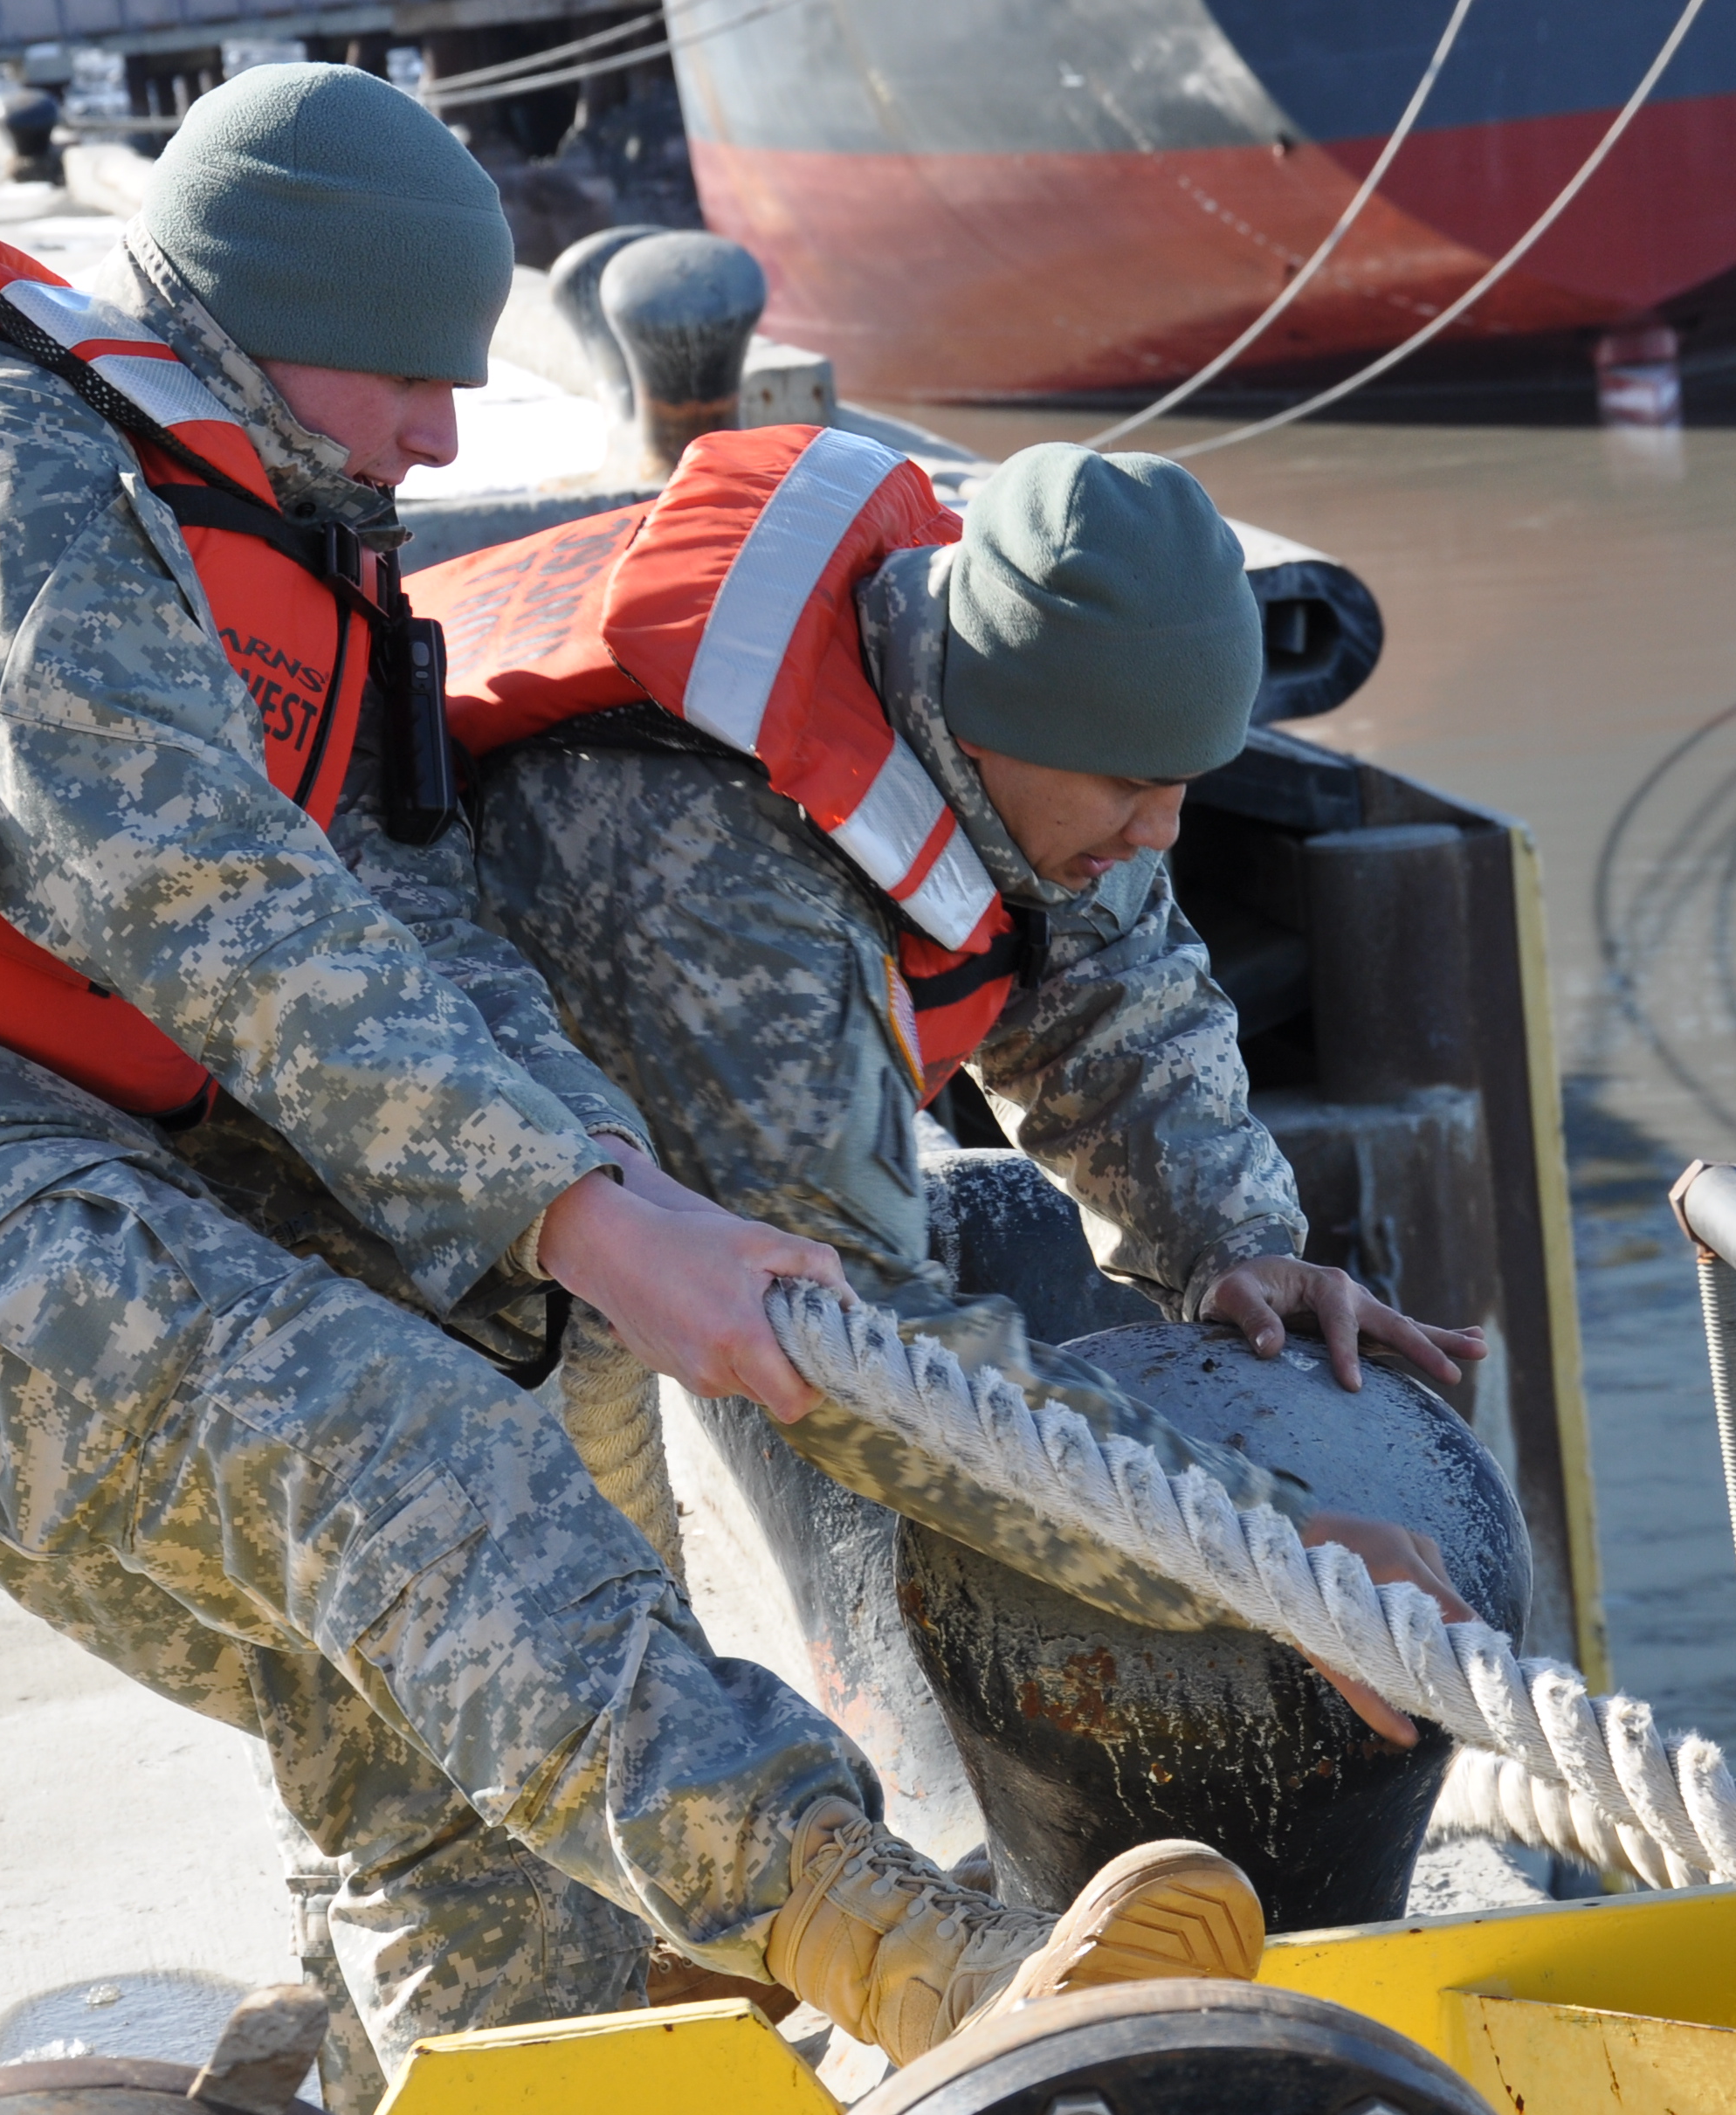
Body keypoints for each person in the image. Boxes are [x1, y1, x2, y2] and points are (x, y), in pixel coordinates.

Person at [0, 63, 1264, 2115]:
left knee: (432, 1597)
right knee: (377, 1443)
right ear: (249, 316)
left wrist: (583, 1196)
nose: (441, 431)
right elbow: (197, 895)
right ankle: (919, 1958)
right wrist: (608, 1218)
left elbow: (416, 929)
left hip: (26, 1127)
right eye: (405, 377)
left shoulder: (297, 540)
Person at [444, 432, 1487, 1678]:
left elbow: (1111, 989)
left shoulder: (1000, 728)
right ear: (995, 725)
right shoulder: (716, 877)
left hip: (596, 1167)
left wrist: (1232, 1239)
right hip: (428, 1215)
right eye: (1129, 785)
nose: (1160, 830)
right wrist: (1267, 1548)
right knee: (559, 1659)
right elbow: (863, 1359)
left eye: (1187, 785)